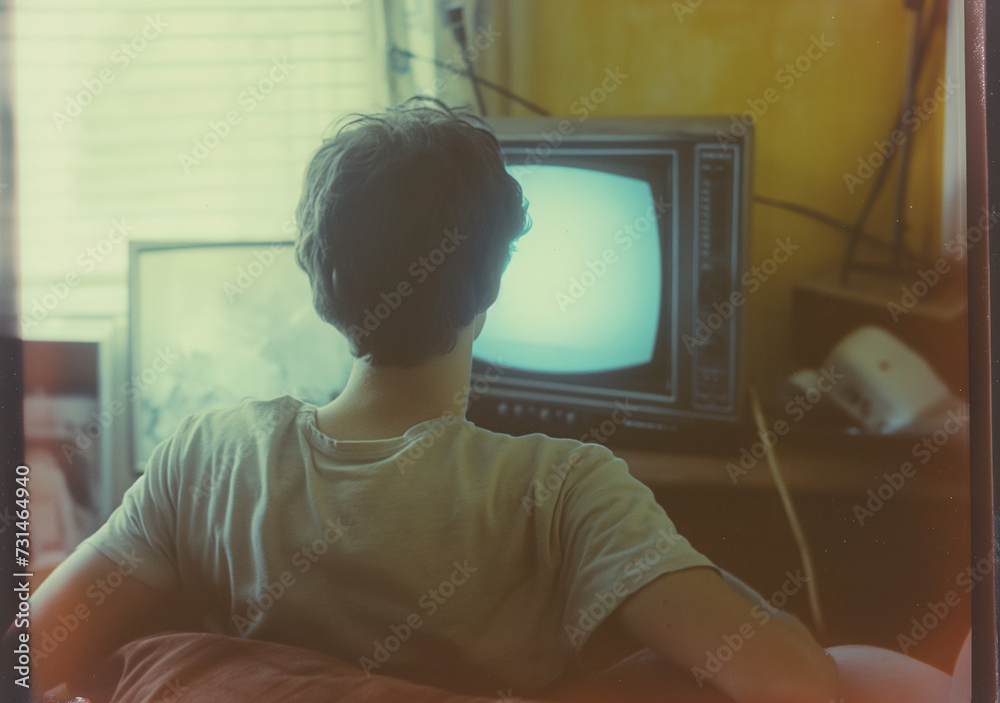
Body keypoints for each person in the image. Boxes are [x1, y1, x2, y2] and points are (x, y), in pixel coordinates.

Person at [20, 99, 954, 703]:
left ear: (315, 277)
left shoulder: (205, 456)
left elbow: (32, 654)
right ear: (493, 284)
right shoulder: (564, 489)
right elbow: (794, 683)